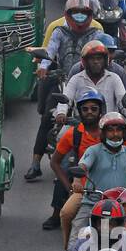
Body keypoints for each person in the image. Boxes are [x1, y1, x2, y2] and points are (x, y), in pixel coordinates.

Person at [60, 110, 126, 245]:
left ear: (123, 133)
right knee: (77, 236)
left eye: (119, 130)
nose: (115, 134)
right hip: (92, 203)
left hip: (120, 206)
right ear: (103, 133)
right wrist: (77, 181)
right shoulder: (93, 150)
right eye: (111, 131)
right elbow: (83, 166)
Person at [41, 88, 105, 231]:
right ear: (79, 112)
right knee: (67, 214)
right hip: (83, 188)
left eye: (94, 109)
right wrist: (70, 189)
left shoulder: (111, 133)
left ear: (101, 111)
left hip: (110, 186)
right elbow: (54, 162)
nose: (89, 112)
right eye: (85, 109)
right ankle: (57, 218)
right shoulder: (73, 134)